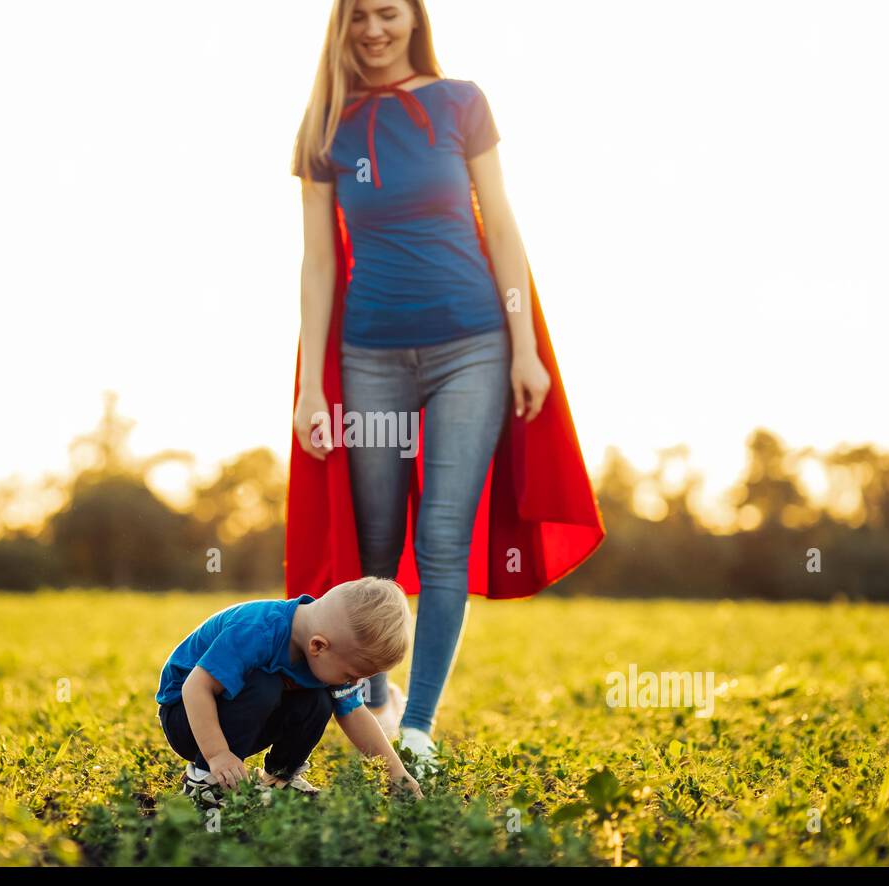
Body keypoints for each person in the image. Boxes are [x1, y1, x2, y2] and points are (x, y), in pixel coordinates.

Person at [287, 0, 607, 771]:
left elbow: (500, 223)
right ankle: (375, 695)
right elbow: (320, 261)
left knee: (442, 538)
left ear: (412, 17)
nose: (373, 29)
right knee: (372, 546)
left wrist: (525, 346)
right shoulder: (325, 125)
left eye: (387, 13)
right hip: (369, 357)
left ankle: (420, 726)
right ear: (342, 22)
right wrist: (311, 388)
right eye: (359, 15)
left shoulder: (462, 101)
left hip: (473, 345)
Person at [155, 576, 424, 807]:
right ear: (318, 646)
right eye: (351, 675)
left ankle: (279, 781)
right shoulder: (257, 629)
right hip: (188, 718)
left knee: (318, 699)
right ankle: (203, 782)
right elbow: (195, 688)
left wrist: (398, 776)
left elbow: (354, 713)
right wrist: (217, 755)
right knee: (265, 685)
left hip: (240, 722)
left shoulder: (329, 650)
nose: (354, 683)